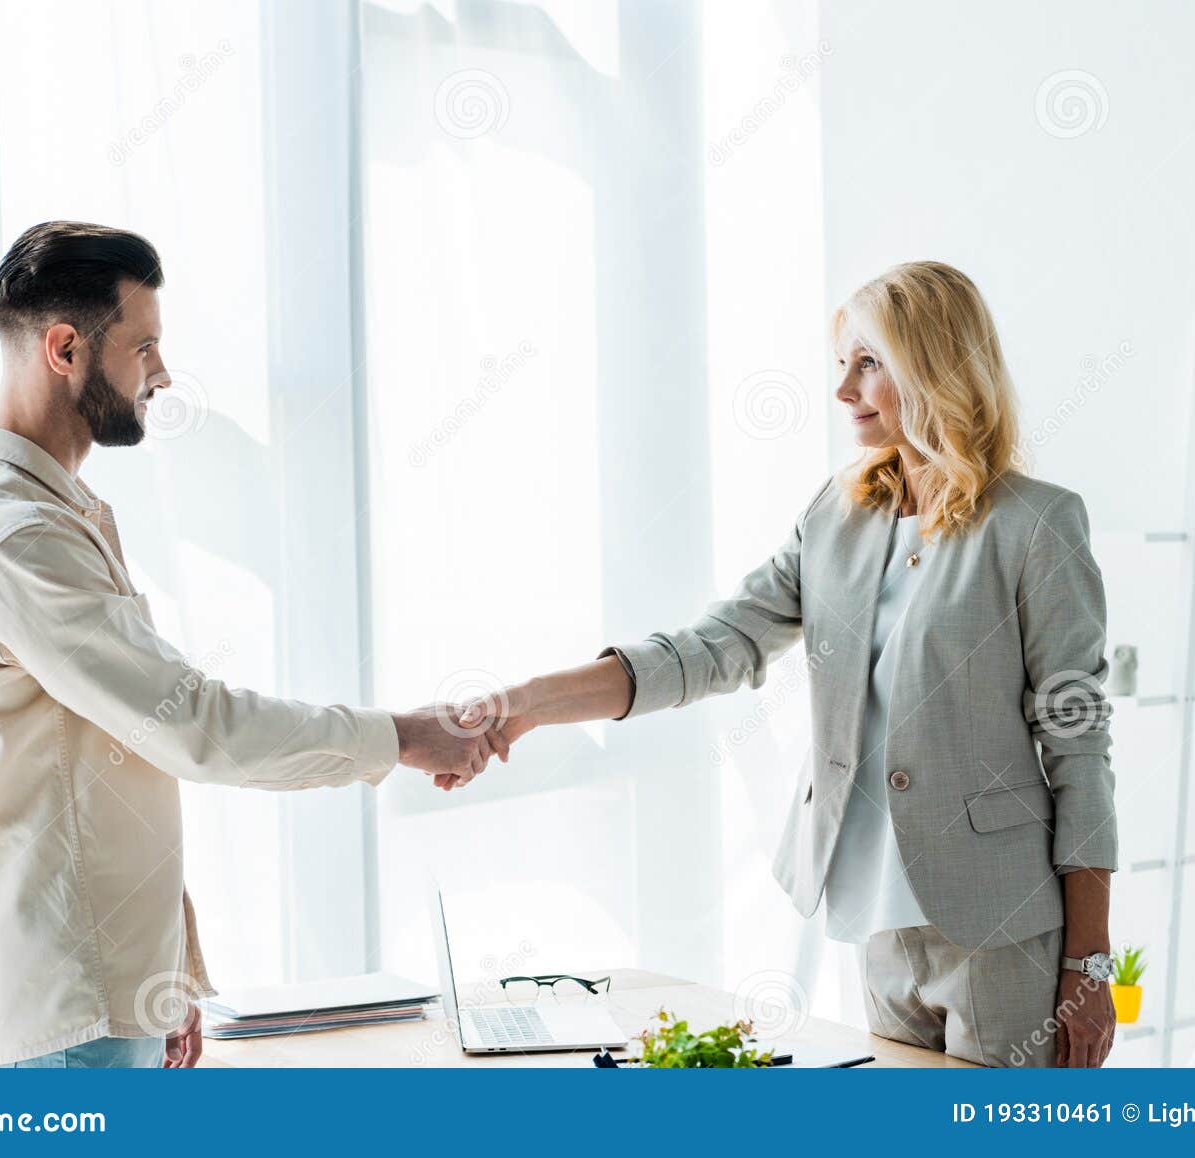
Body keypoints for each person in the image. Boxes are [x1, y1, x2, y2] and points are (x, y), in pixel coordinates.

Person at [459, 261, 1119, 1068]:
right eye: (842, 363)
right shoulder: (835, 517)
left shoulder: (1035, 525)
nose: (843, 390)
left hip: (1001, 927)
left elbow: (1079, 749)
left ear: (934, 365)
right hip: (872, 919)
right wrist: (529, 702)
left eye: (869, 363)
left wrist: (1090, 966)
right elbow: (712, 648)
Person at [0, 222, 497, 1068]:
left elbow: (101, 760)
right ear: (66, 349)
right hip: (64, 1022)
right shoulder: (18, 538)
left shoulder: (49, 515)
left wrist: (168, 970)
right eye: (143, 347)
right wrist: (401, 736)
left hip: (96, 999)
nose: (161, 374)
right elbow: (192, 726)